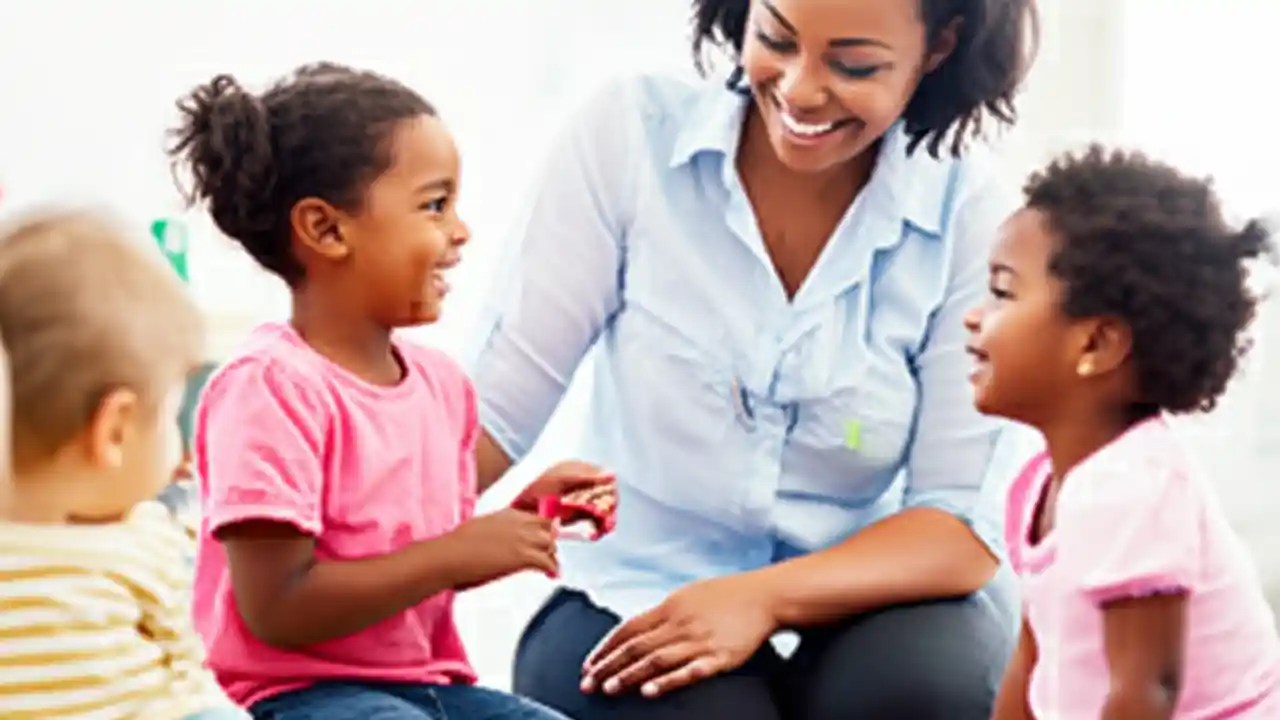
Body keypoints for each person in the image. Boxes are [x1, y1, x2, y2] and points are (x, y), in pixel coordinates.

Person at [470, 0, 1039, 717]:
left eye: (853, 64)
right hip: (639, 585)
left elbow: (957, 521)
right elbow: (492, 411)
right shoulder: (632, 137)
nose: (800, 89)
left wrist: (756, 600)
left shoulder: (971, 212)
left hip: (876, 595)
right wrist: (336, 561)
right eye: (775, 38)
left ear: (938, 48)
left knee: (916, 693)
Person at [169, 64, 612, 719]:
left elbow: (418, 545)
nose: (460, 232)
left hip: (428, 688)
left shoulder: (441, 388)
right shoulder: (270, 387)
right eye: (435, 205)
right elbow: (277, 609)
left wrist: (523, 519)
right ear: (326, 229)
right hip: (299, 697)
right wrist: (453, 556)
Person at [979, 148, 1280, 719]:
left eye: (1002, 292)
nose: (974, 317)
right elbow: (1033, 656)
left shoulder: (1133, 489)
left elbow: (1146, 692)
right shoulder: (1040, 483)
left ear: (1095, 345)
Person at [0, 210, 244, 719]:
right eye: (169, 416)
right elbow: (193, 670)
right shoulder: (144, 546)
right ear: (114, 430)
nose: (177, 449)